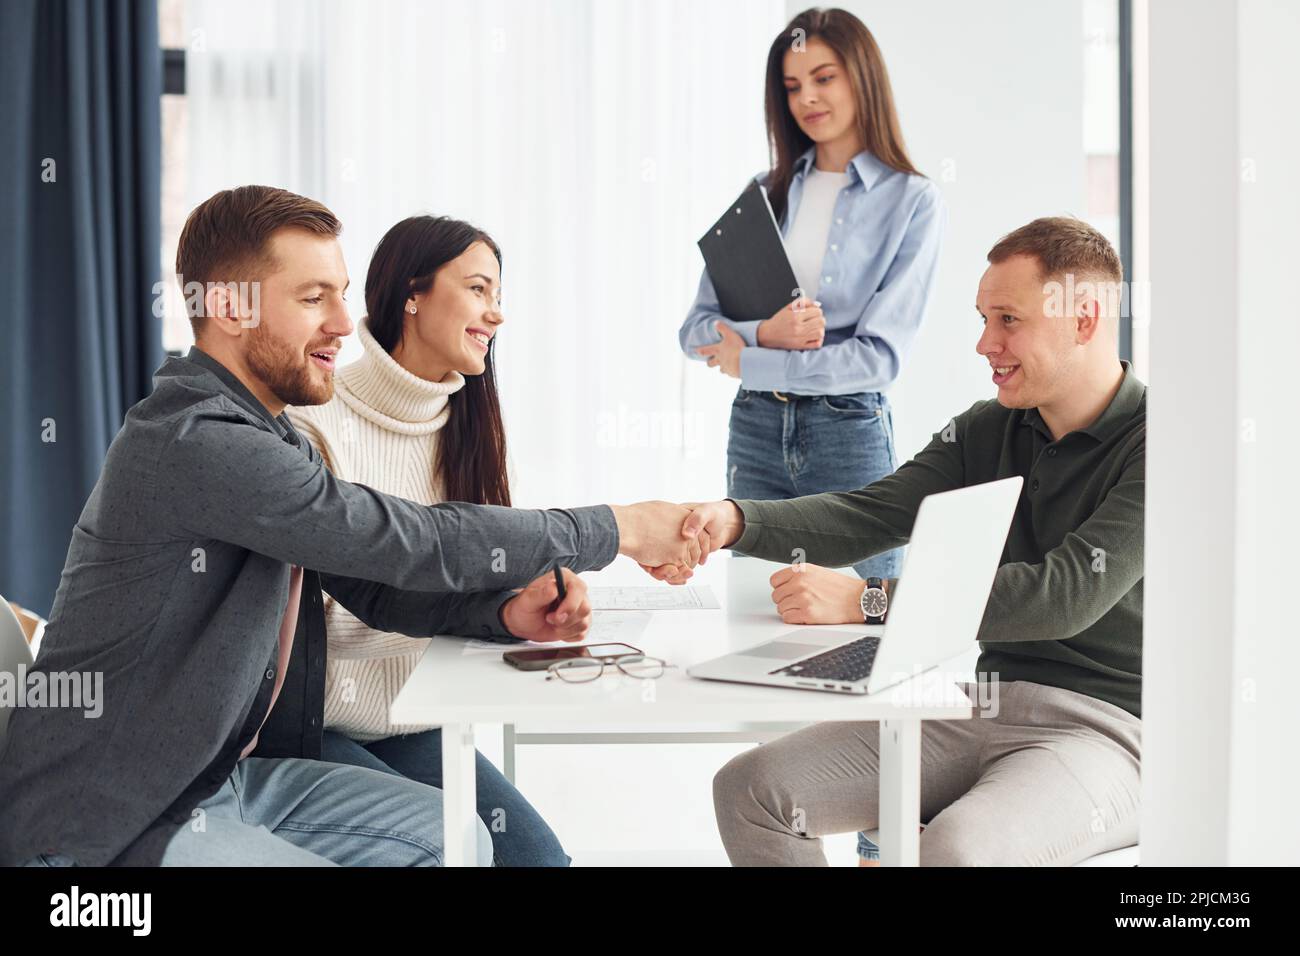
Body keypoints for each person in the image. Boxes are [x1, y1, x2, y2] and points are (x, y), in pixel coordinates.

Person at [0, 185, 708, 867]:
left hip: (220, 781)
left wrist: (504, 613)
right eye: (313, 298)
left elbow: (372, 582)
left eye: (340, 293)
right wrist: (619, 526)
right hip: (109, 816)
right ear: (228, 307)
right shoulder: (197, 440)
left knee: (458, 840)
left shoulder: (273, 435)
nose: (344, 321)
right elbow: (409, 540)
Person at [656, 216, 1144, 866]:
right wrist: (734, 520)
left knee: (957, 849)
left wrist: (870, 601)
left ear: (1083, 320)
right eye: (983, 318)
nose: (984, 344)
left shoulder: (1157, 442)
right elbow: (871, 513)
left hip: (1106, 734)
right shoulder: (987, 430)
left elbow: (1064, 596)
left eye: (1007, 320)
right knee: (752, 789)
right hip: (979, 704)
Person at [678, 6, 945, 863]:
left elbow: (877, 359)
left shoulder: (912, 200)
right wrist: (774, 340)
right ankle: (787, 838)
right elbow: (694, 331)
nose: (807, 100)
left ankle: (882, 853)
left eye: (824, 79)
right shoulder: (763, 197)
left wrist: (750, 355)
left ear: (862, 78)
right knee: (767, 642)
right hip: (756, 437)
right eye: (792, 86)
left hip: (848, 435)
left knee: (872, 654)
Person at [285, 215, 570, 866]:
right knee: (447, 850)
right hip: (318, 725)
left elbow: (493, 586)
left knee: (539, 861)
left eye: (498, 297)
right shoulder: (313, 428)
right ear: (412, 293)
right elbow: (313, 625)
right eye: (477, 289)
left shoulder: (476, 438)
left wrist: (537, 605)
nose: (494, 314)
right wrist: (479, 614)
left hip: (419, 724)